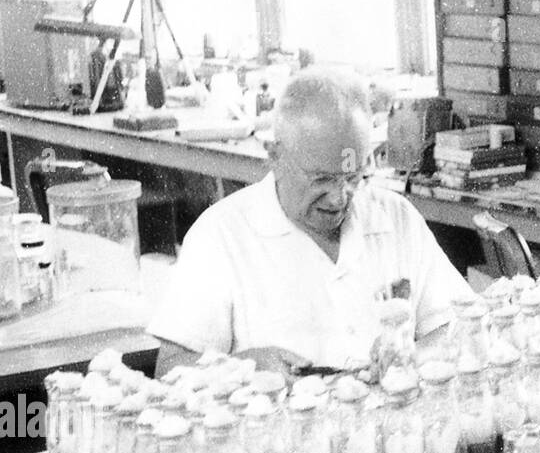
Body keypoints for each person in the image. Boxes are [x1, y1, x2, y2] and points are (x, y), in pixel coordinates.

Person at [149, 67, 474, 376]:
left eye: (353, 177)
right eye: (321, 180)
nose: (339, 198)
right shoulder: (220, 236)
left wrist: (414, 356)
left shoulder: (396, 218)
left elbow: (460, 327)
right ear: (275, 156)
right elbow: (171, 370)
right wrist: (243, 368)